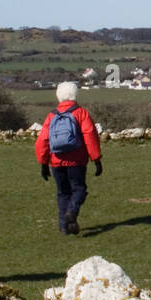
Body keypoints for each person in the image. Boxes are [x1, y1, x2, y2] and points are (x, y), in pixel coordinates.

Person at [36, 81, 102, 234]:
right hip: (77, 160)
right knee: (79, 189)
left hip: (56, 161)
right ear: (75, 95)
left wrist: (43, 163)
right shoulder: (80, 113)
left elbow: (43, 140)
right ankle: (72, 212)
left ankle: (64, 226)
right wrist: (96, 159)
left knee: (62, 192)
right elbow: (90, 136)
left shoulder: (52, 116)